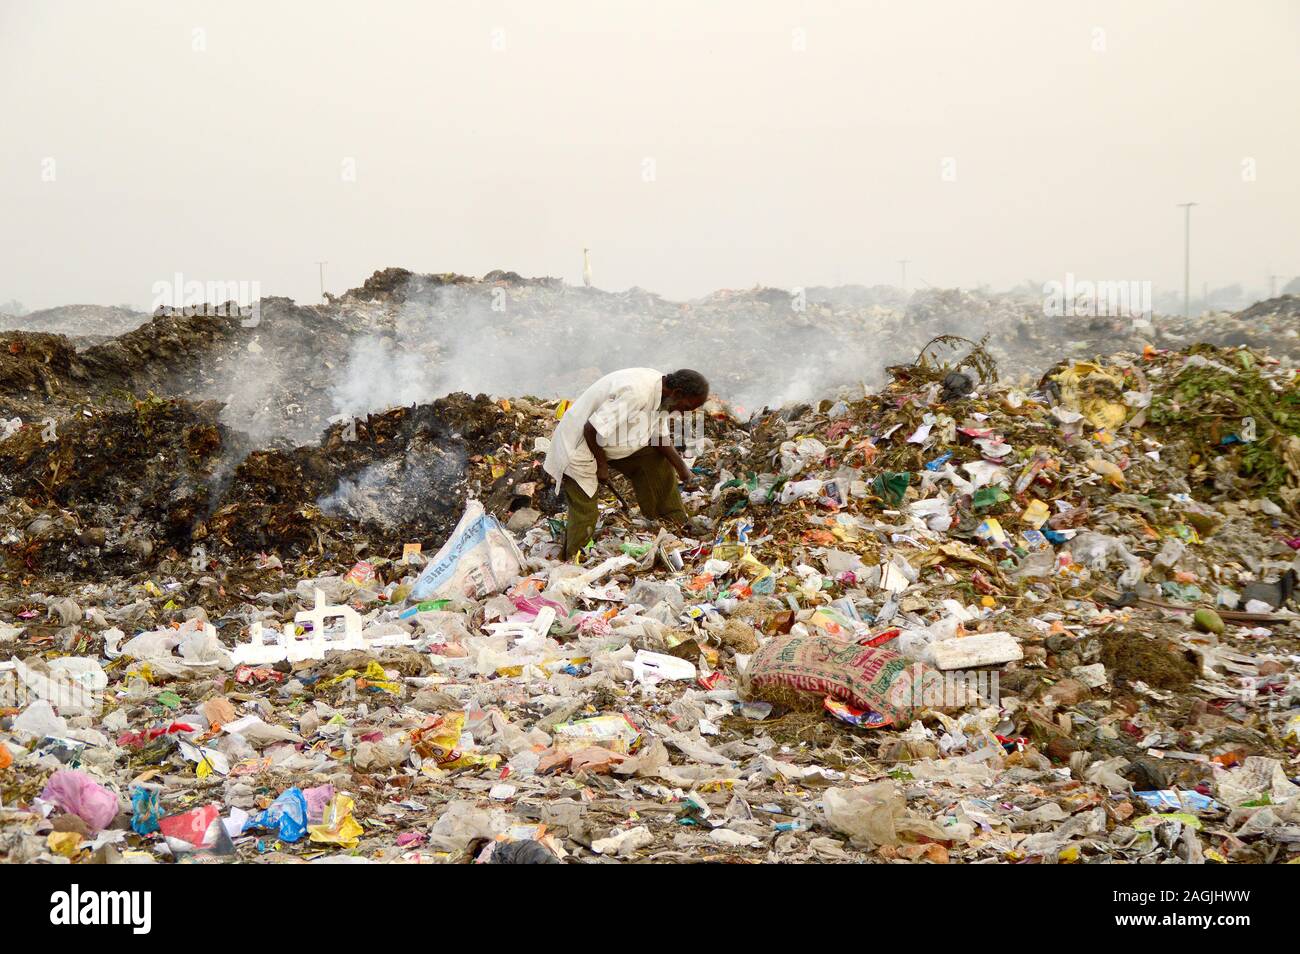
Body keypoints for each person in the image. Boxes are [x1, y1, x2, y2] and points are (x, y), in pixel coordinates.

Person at [543, 368, 709, 558]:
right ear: (678, 393)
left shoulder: (664, 396)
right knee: (586, 511)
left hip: (613, 440)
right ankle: (575, 559)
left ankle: (672, 521)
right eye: (686, 407)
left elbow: (658, 436)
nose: (683, 413)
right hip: (578, 446)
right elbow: (591, 429)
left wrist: (684, 471)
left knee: (655, 462)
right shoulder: (636, 393)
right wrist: (602, 466)